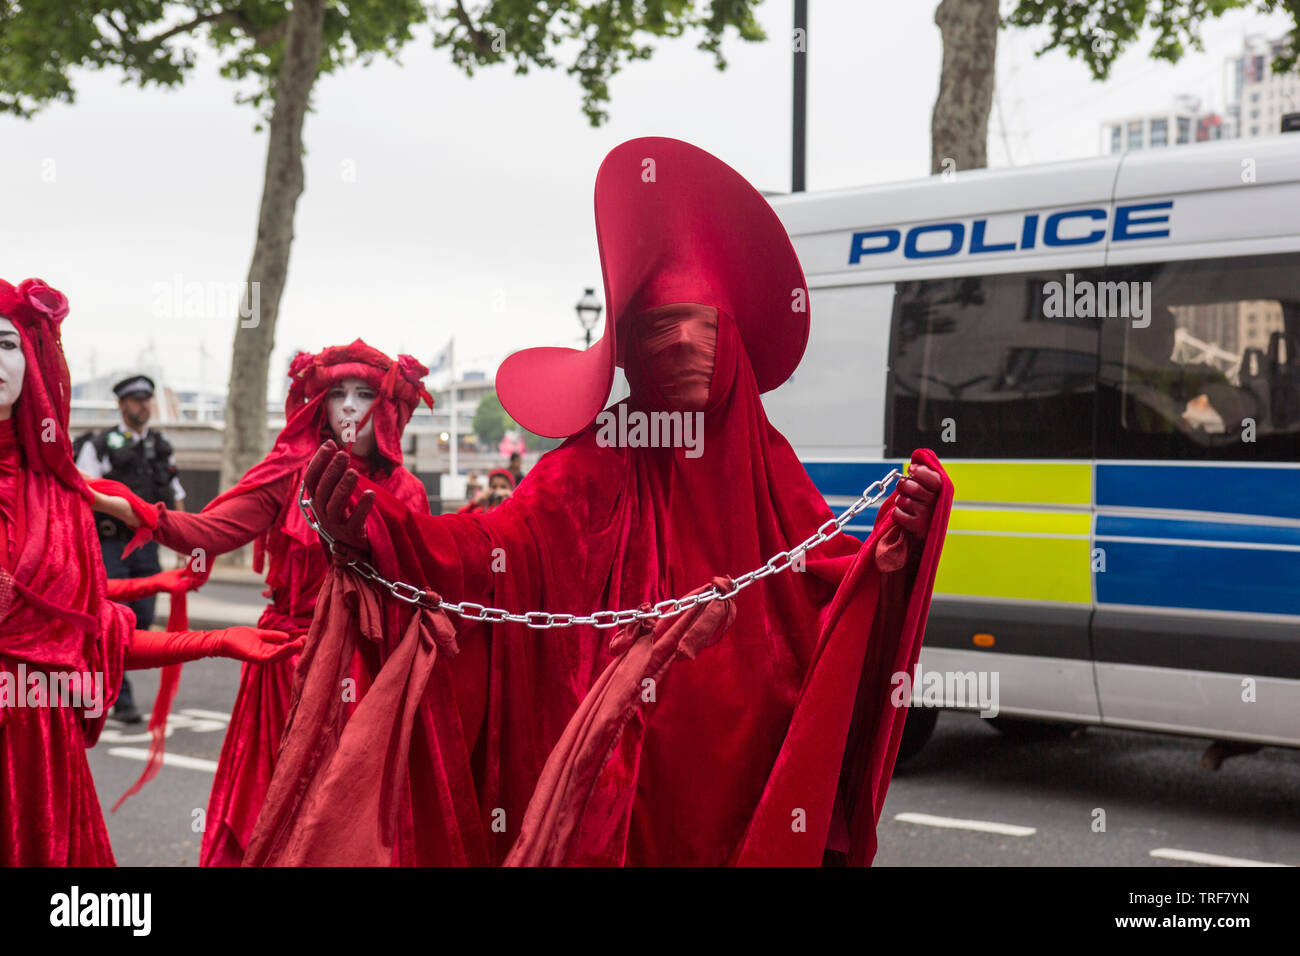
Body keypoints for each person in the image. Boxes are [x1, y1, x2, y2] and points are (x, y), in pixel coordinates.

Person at [247, 138, 951, 867]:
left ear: (733, 339)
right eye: (656, 328)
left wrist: (904, 539)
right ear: (629, 352)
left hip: (751, 791)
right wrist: (380, 529)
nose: (680, 343)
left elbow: (842, 593)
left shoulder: (771, 471)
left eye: (701, 324)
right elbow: (493, 545)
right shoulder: (595, 463)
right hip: (623, 802)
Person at [94, 340, 434, 866]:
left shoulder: (408, 491)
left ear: (388, 407)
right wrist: (110, 499)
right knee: (272, 810)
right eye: (336, 393)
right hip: (285, 665)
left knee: (352, 816)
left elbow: (421, 588)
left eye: (363, 393)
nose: (347, 405)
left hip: (369, 674)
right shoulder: (289, 471)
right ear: (317, 403)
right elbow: (205, 531)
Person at [0, 277, 300, 866]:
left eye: (6, 342)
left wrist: (212, 640)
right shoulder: (93, 458)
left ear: (33, 358)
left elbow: (92, 634)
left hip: (40, 765)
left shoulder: (59, 498)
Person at [74, 374, 186, 724]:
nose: (143, 406)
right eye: (136, 400)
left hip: (147, 548)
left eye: (146, 399)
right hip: (109, 544)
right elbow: (82, 492)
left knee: (143, 616)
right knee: (110, 618)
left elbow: (175, 491)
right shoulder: (100, 444)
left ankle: (106, 677)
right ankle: (121, 700)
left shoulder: (159, 445)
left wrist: (185, 539)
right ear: (121, 404)